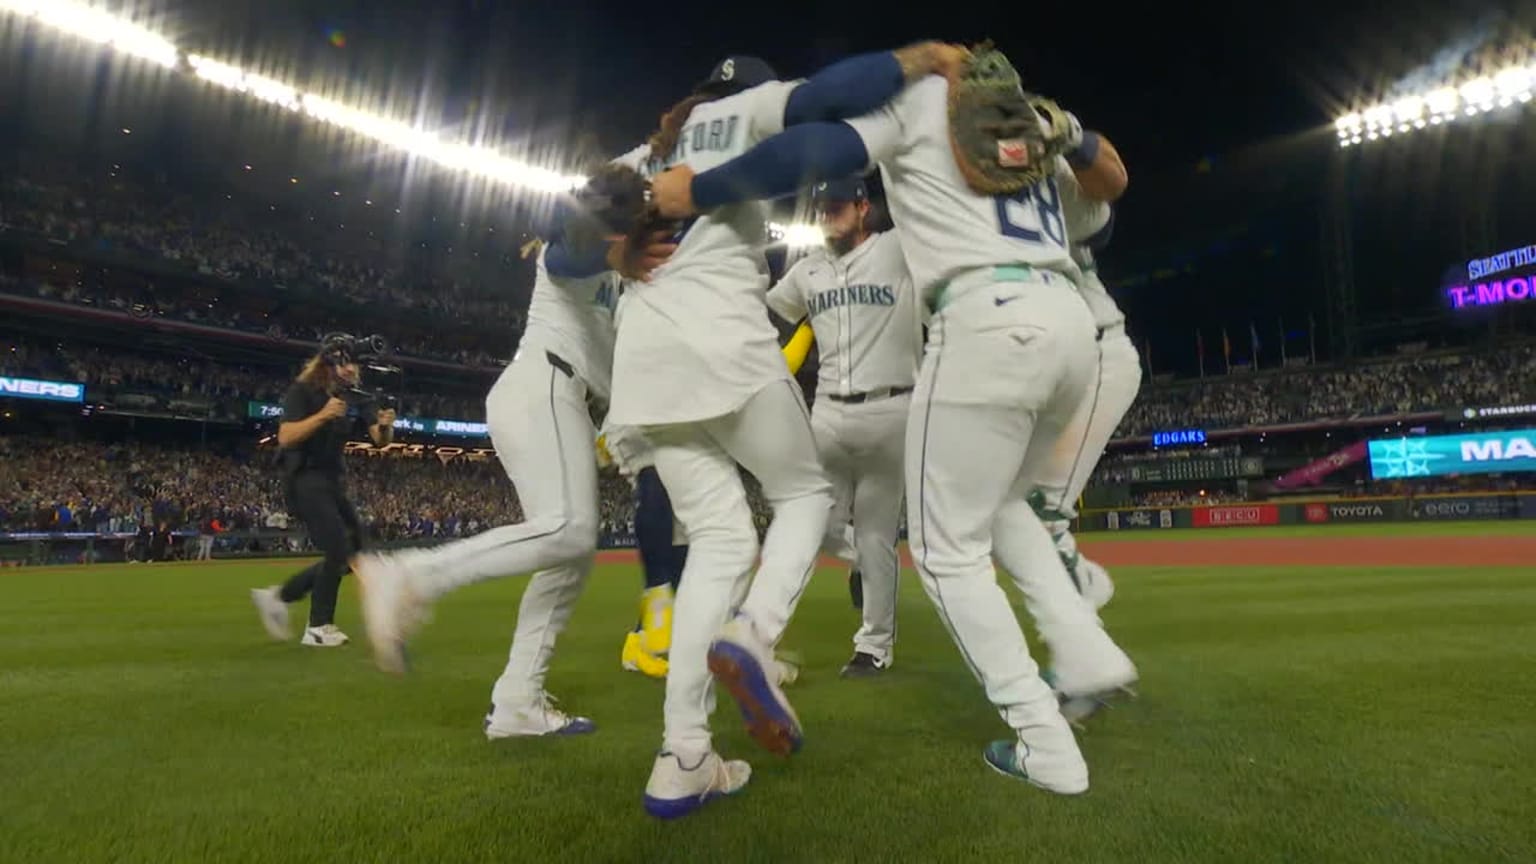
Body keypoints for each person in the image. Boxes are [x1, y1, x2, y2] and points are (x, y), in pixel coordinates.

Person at [647, 45, 1132, 795]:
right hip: (1070, 322)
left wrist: (703, 189)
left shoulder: (924, 101)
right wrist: (1068, 133)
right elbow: (1115, 184)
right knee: (1006, 504)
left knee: (946, 554)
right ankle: (1086, 649)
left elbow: (819, 146)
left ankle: (1045, 742)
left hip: (984, 318)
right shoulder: (1030, 132)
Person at [558, 45, 967, 819]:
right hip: (723, 341)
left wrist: (612, 248)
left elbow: (555, 240)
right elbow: (831, 99)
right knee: (805, 494)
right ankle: (754, 634)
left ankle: (683, 757)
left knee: (717, 542)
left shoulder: (642, 154)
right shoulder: (740, 112)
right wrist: (917, 61)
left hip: (644, 370)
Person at [351, 241, 669, 738]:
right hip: (541, 383)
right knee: (570, 529)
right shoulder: (585, 246)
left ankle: (518, 701)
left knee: (569, 558)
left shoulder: (624, 291)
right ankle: (410, 575)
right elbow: (566, 249)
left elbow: (624, 374)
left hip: (564, 399)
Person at [766, 175, 921, 678]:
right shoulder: (806, 272)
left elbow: (918, 200)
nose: (827, 214)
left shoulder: (899, 250)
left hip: (891, 408)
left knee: (877, 536)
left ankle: (873, 646)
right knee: (815, 524)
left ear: (863, 207)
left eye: (838, 206)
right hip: (827, 411)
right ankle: (765, 633)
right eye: (821, 208)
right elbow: (770, 311)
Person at [249, 335, 395, 647]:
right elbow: (286, 437)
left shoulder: (359, 397)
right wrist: (324, 415)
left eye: (355, 362)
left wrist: (384, 426)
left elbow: (380, 442)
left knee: (355, 551)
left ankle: (280, 596)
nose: (353, 369)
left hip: (332, 479)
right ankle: (318, 626)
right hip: (304, 477)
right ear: (330, 364)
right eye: (347, 362)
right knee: (338, 548)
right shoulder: (303, 392)